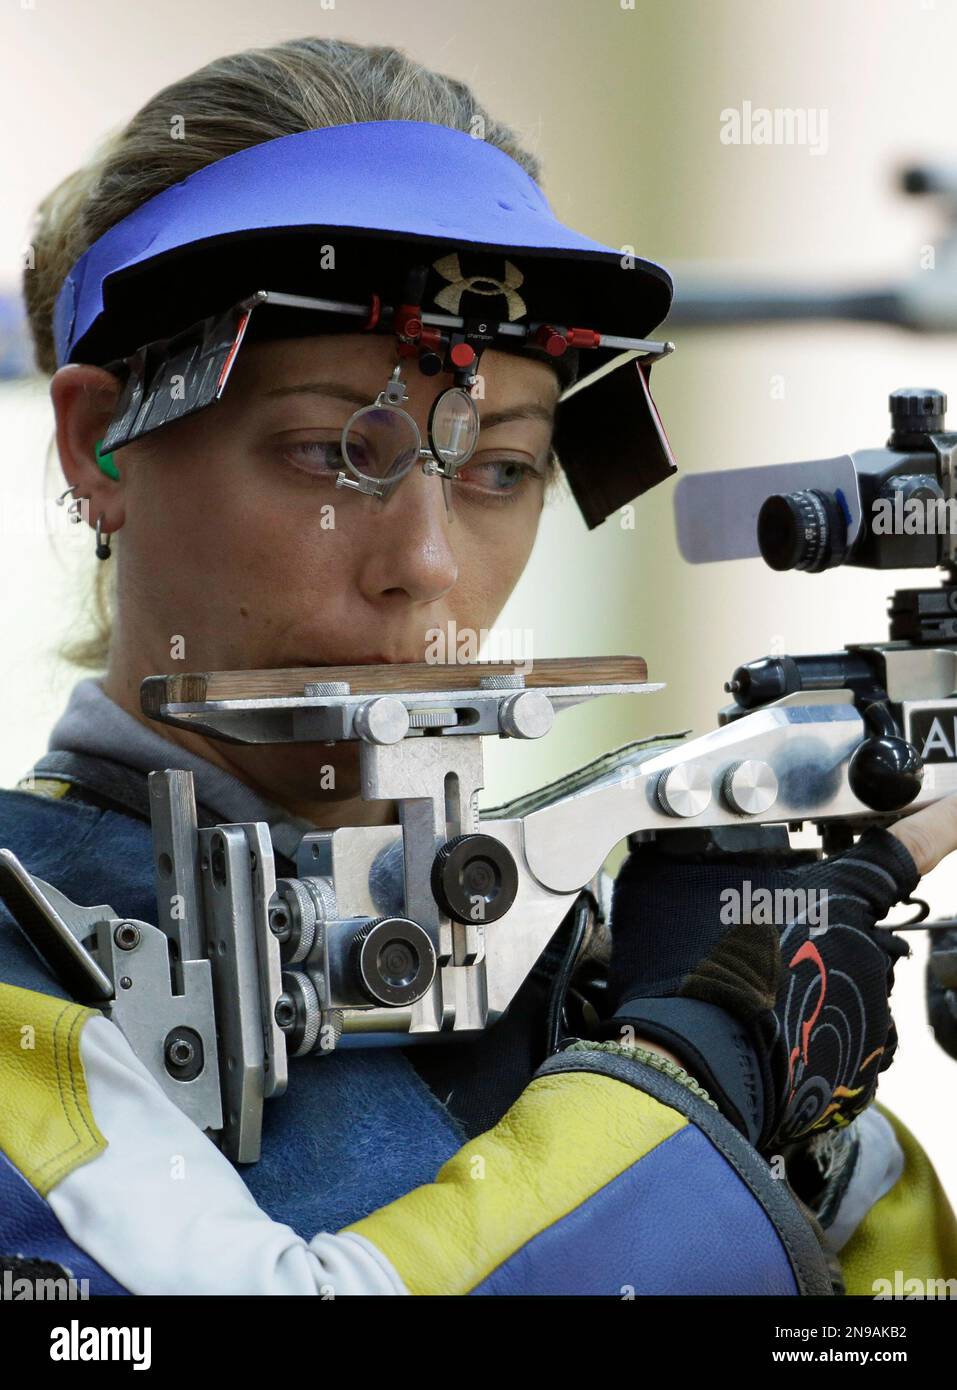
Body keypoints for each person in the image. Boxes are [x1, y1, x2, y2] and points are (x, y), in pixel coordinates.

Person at [0, 35, 954, 1297]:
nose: (430, 565)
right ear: (99, 442)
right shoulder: (26, 967)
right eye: (339, 453)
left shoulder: (593, 962)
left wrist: (807, 1139)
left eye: (503, 467)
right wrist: (687, 1082)